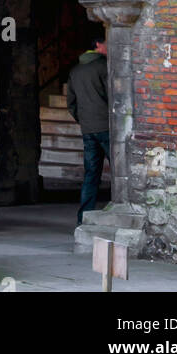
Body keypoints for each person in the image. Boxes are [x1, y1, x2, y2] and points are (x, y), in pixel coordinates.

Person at [65, 36, 110, 225]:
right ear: (98, 45)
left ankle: (84, 217)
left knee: (91, 174)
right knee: (119, 172)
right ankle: (122, 209)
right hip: (107, 127)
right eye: (107, 43)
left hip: (88, 129)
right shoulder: (103, 67)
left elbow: (71, 103)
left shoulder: (75, 71)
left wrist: (83, 120)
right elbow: (114, 95)